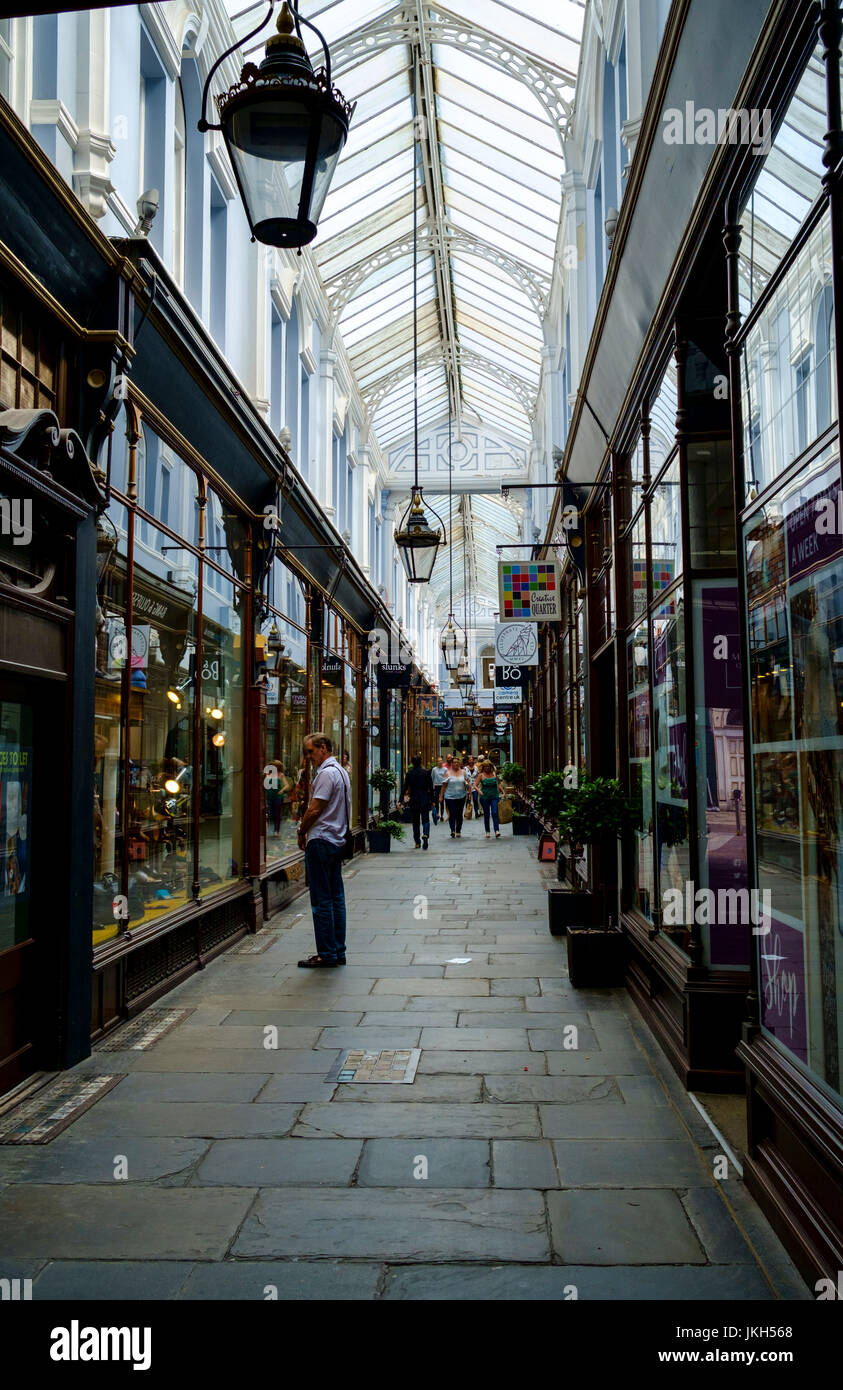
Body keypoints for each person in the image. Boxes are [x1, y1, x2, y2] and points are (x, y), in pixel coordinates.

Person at [296, 732, 352, 968]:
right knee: (336, 897)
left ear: (323, 748)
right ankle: (337, 950)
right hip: (337, 840)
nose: (308, 757)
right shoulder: (341, 771)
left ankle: (327, 953)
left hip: (321, 840)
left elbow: (315, 809)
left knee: (322, 899)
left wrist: (301, 831)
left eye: (310, 751)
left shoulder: (327, 774)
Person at [402, 754, 435, 849]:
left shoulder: (409, 773)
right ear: (421, 762)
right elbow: (431, 788)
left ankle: (417, 842)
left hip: (414, 799)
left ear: (412, 763)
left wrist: (400, 800)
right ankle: (426, 834)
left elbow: (405, 787)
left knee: (415, 821)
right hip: (424, 799)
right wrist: (433, 801)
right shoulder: (425, 773)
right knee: (425, 819)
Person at [443, 757, 470, 838]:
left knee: (459, 814)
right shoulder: (447, 773)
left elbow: (468, 783)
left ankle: (458, 830)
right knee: (452, 813)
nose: (456, 764)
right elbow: (444, 786)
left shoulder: (463, 772)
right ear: (451, 764)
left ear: (459, 763)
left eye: (457, 762)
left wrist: (470, 793)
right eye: (454, 762)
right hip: (449, 797)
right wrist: (441, 796)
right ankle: (452, 830)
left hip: (461, 796)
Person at [479, 760, 502, 839]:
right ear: (483, 767)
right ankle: (487, 831)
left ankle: (497, 830)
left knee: (495, 813)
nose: (487, 768)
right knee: (487, 814)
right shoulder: (481, 775)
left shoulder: (494, 774)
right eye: (485, 766)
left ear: (490, 766)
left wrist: (503, 791)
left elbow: (499, 783)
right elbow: (475, 785)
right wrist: (479, 791)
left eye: (488, 766)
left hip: (494, 796)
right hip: (484, 797)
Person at [430, 756, 447, 826]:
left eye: (441, 761)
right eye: (438, 761)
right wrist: (432, 786)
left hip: (443, 786)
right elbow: (432, 778)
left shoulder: (445, 769)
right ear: (437, 762)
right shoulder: (434, 769)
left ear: (442, 762)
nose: (440, 762)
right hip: (436, 786)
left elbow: (446, 778)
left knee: (442, 801)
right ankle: (437, 814)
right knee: (436, 800)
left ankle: (442, 815)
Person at [465, 754, 480, 818]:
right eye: (470, 760)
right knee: (468, 800)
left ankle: (476, 812)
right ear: (468, 761)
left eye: (472, 760)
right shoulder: (465, 768)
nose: (471, 761)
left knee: (475, 799)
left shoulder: (476, 768)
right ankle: (467, 812)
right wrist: (466, 783)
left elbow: (478, 776)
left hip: (474, 786)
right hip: (467, 786)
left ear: (473, 761)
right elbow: (464, 777)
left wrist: (477, 782)